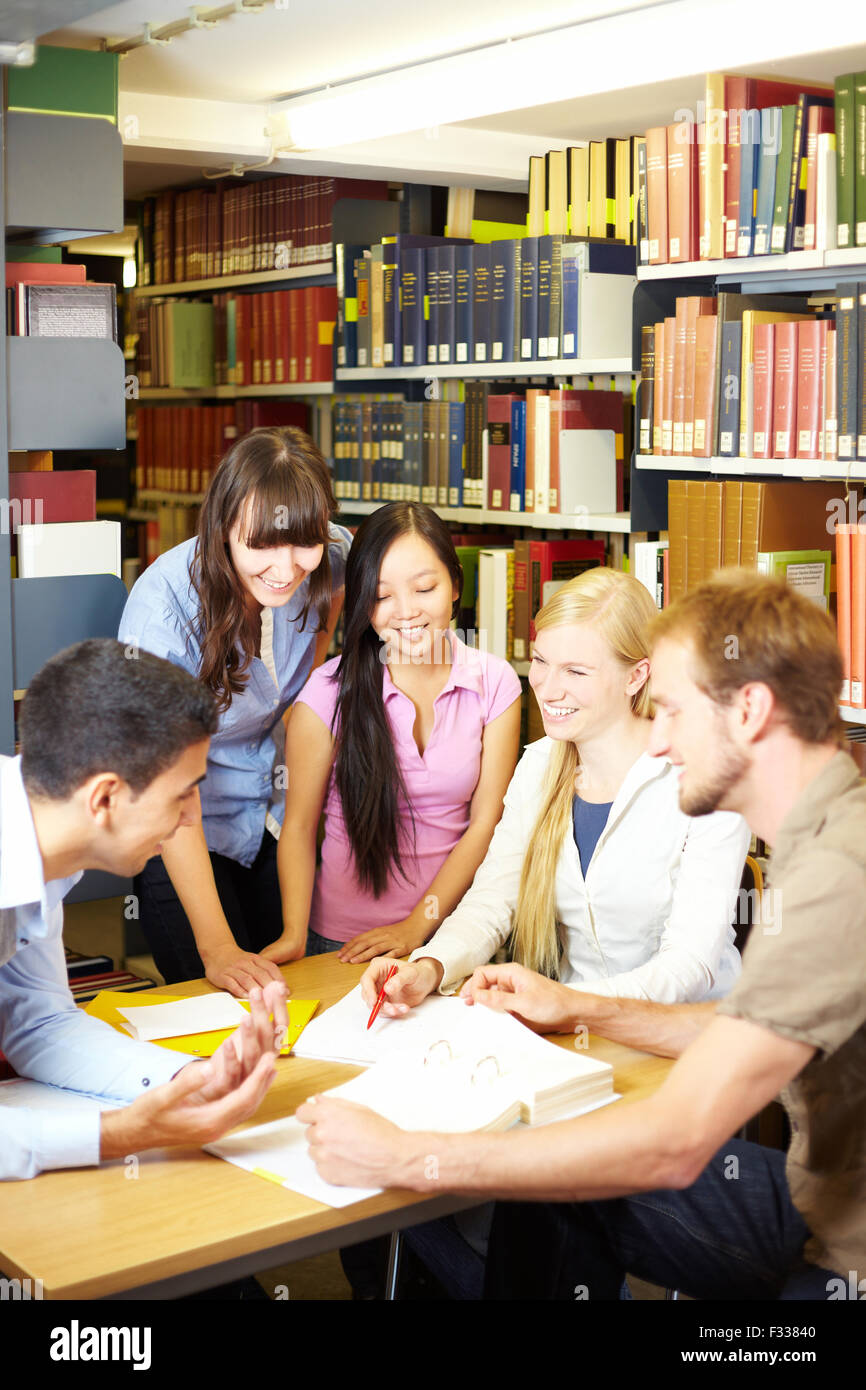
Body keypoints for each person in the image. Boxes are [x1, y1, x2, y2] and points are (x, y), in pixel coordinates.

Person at [298, 571, 866, 1301]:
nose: (657, 741)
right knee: (557, 1186)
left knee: (533, 1175)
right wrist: (580, 1009)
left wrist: (415, 1157)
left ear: (750, 710)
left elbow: (673, 1139)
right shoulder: (825, 835)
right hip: (818, 1203)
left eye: (670, 711)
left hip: (847, 1258)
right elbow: (739, 1026)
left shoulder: (836, 875)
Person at [358, 565, 749, 1015]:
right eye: (541, 662)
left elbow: (689, 965)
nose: (546, 687)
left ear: (636, 676)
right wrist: (428, 967)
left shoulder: (707, 780)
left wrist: (568, 1002)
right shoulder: (540, 764)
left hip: (686, 1036)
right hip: (576, 1030)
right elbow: (492, 901)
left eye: (576, 672)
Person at [0, 639, 288, 1183]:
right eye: (182, 794)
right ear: (104, 799)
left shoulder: (41, 847)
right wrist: (121, 1135)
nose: (189, 821)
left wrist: (191, 1077)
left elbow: (39, 1023)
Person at [119, 426, 352, 995]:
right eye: (262, 545)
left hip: (273, 816)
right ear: (223, 525)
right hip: (182, 826)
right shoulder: (164, 613)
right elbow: (171, 789)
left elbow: (334, 586)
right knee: (224, 1002)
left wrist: (313, 672)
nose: (286, 567)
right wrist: (218, 947)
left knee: (298, 995)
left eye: (303, 542)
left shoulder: (331, 553)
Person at [261, 501, 522, 965]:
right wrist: (293, 935)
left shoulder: (495, 682)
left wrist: (416, 926)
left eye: (424, 588)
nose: (406, 612)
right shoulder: (325, 694)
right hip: (341, 946)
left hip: (454, 939)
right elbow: (298, 828)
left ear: (455, 584)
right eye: (381, 596)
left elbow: (487, 823)